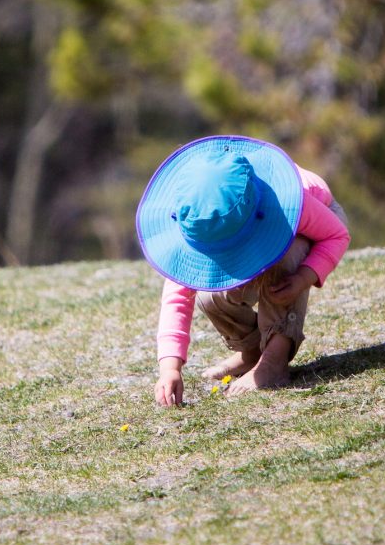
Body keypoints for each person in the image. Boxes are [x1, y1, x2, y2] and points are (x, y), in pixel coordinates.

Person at [135, 136, 350, 406]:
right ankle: (251, 351)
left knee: (283, 264)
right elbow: (177, 299)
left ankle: (274, 360)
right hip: (249, 227)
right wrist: (170, 369)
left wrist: (304, 277)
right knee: (206, 294)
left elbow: (336, 235)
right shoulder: (194, 220)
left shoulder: (289, 203)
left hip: (312, 223)